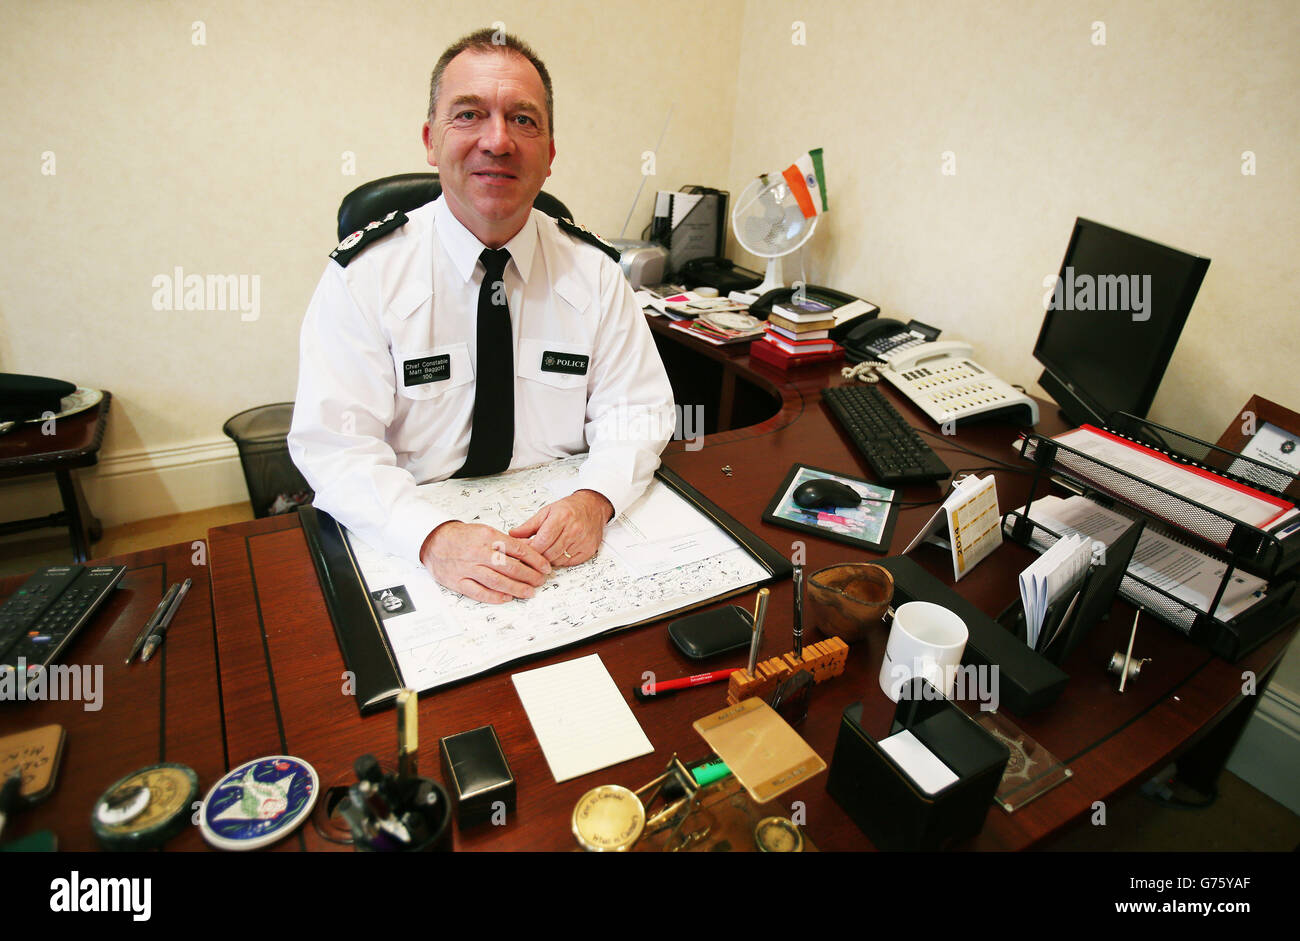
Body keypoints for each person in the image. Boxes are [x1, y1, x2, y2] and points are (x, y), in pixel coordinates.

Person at [288, 29, 675, 605]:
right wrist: (431, 538)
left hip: (564, 543)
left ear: (550, 153)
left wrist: (596, 499)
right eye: (469, 115)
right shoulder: (365, 275)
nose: (498, 141)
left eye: (523, 120)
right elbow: (335, 446)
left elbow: (638, 411)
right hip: (412, 536)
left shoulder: (594, 271)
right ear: (429, 139)